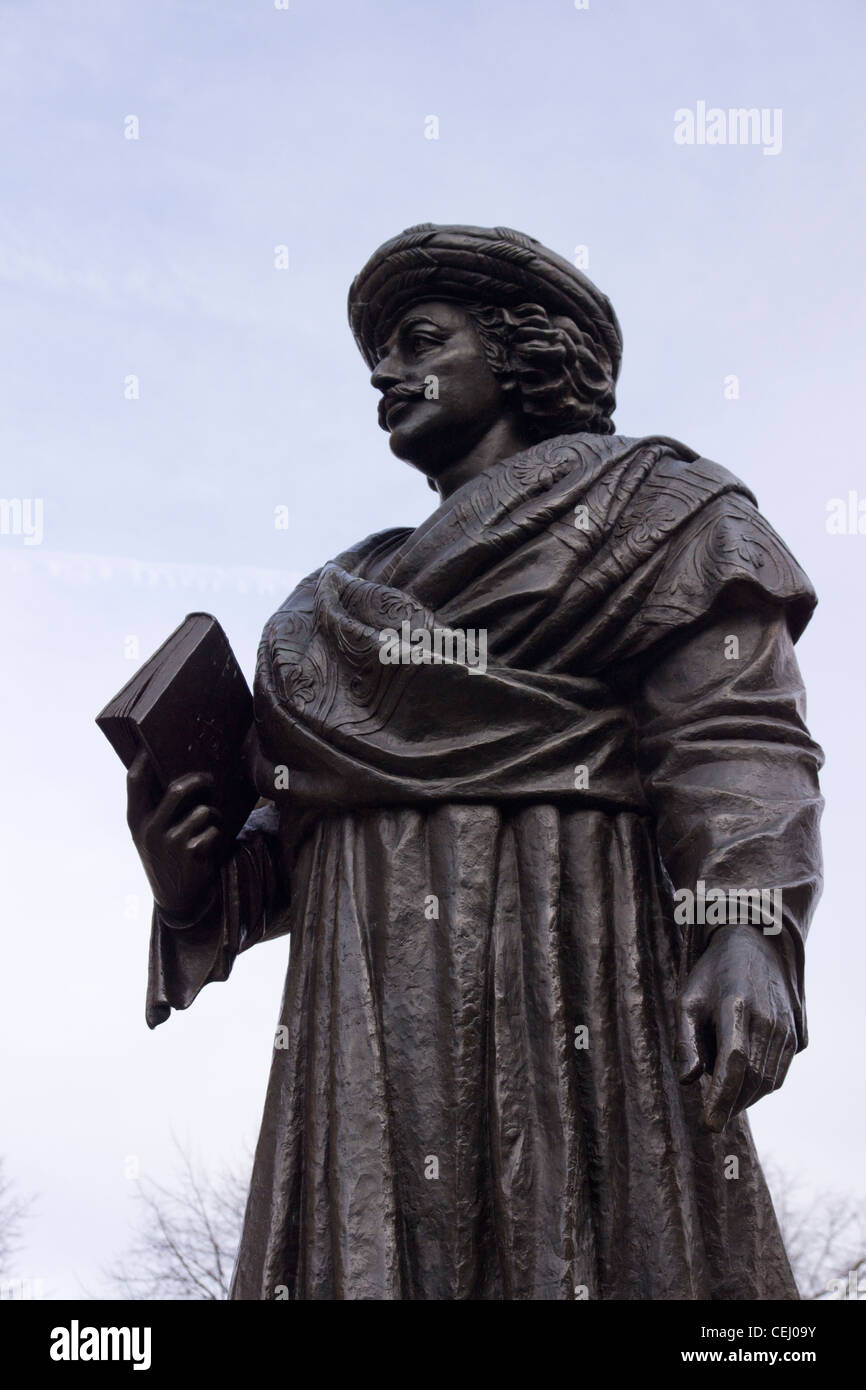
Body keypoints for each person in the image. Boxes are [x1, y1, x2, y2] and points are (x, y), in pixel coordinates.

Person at [126, 224, 824, 1300]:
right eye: (380, 352)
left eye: (418, 339)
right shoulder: (329, 612)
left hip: (573, 938)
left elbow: (736, 732)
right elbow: (289, 836)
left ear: (521, 353)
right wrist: (192, 887)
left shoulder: (659, 516)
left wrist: (744, 926)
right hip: (361, 993)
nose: (384, 373)